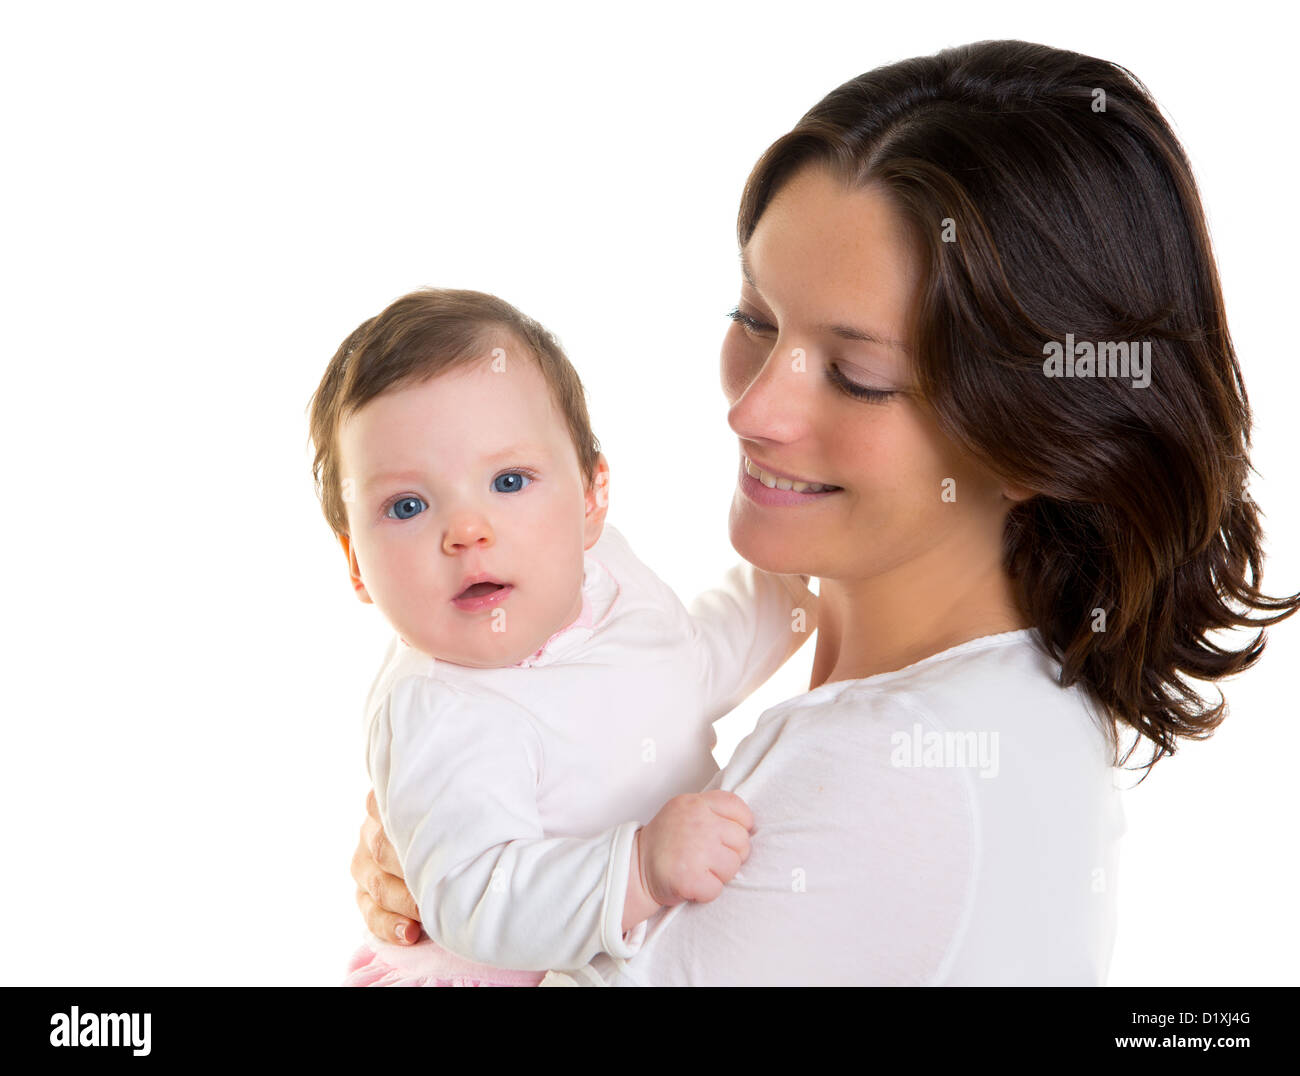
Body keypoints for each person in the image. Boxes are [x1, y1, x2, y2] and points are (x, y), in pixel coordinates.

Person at [351, 40, 1300, 985]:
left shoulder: (896, 770)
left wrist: (474, 917)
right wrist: (462, 838)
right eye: (757, 320)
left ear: (1037, 437)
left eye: (858, 376)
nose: (751, 409)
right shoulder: (926, 697)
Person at [308, 288, 818, 985]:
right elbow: (479, 894)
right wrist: (637, 867)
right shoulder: (442, 707)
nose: (466, 530)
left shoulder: (607, 574)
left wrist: (790, 592)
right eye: (407, 505)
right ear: (355, 565)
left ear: (589, 499)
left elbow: (682, 668)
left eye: (509, 480)